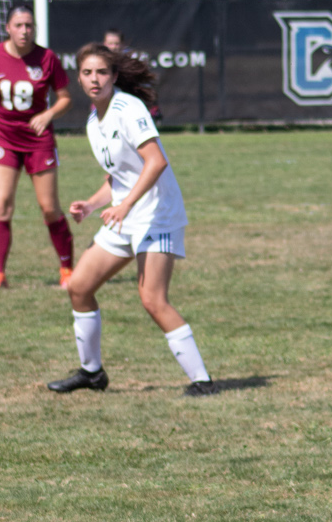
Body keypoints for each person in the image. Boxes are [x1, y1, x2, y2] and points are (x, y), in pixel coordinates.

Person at [45, 46, 217, 397]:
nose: (95, 79)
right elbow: (119, 176)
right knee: (79, 287)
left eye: (102, 73)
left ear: (114, 76)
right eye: (88, 73)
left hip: (157, 215)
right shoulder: (95, 120)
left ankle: (203, 382)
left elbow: (155, 162)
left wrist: (125, 207)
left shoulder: (128, 108)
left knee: (152, 299)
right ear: (78, 78)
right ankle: (92, 373)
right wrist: (92, 205)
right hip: (127, 214)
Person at [0, 2, 75, 290]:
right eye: (19, 25)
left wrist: (48, 114)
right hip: (4, 138)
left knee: (49, 208)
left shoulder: (47, 58)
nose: (25, 31)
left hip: (39, 141)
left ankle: (67, 268)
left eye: (29, 26)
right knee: (1, 206)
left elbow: (65, 98)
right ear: (8, 29)